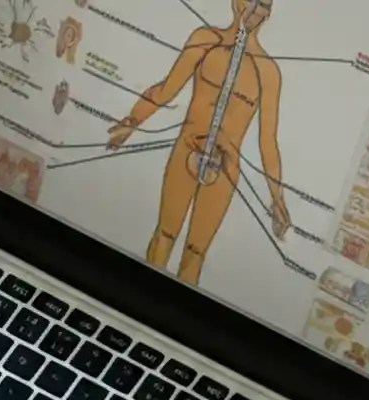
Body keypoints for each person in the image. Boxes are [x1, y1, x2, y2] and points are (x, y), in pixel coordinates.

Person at [106, 0, 289, 286]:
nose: (255, 11)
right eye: (250, 1)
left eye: (263, 4)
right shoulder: (205, 39)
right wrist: (131, 122)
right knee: (164, 236)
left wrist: (277, 199)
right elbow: (166, 90)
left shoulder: (269, 73)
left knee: (196, 252)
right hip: (187, 151)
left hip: (225, 169)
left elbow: (268, 142)